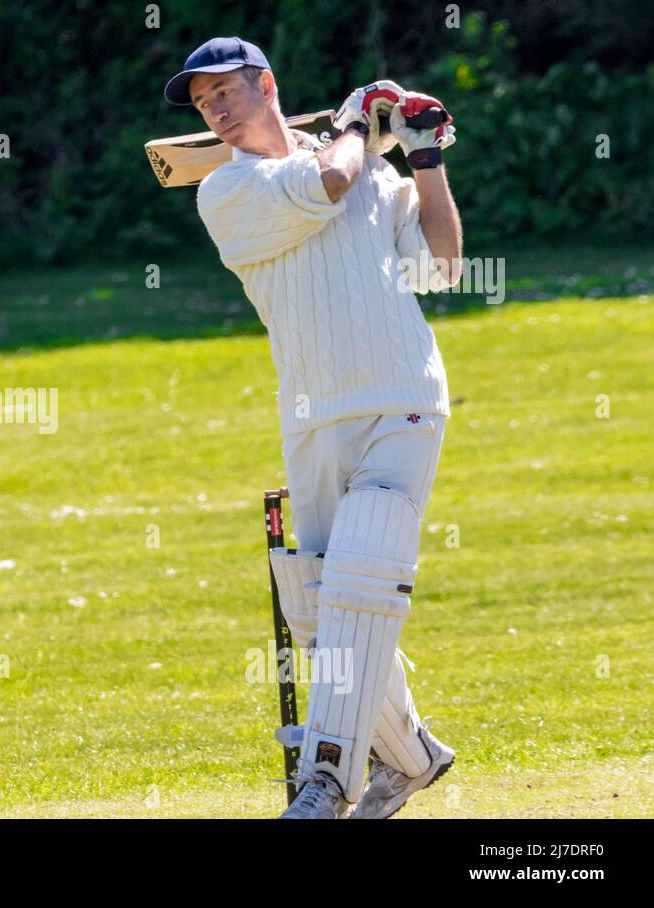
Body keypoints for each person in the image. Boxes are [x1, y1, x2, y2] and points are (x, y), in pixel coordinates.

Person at [163, 37, 461, 818]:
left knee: (359, 585)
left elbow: (440, 266)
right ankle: (414, 755)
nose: (216, 112)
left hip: (403, 395)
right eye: (202, 105)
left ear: (266, 85)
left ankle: (326, 780)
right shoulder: (226, 194)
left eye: (226, 92)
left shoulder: (371, 171)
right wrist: (360, 124)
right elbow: (328, 179)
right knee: (326, 607)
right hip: (311, 414)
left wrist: (426, 160)